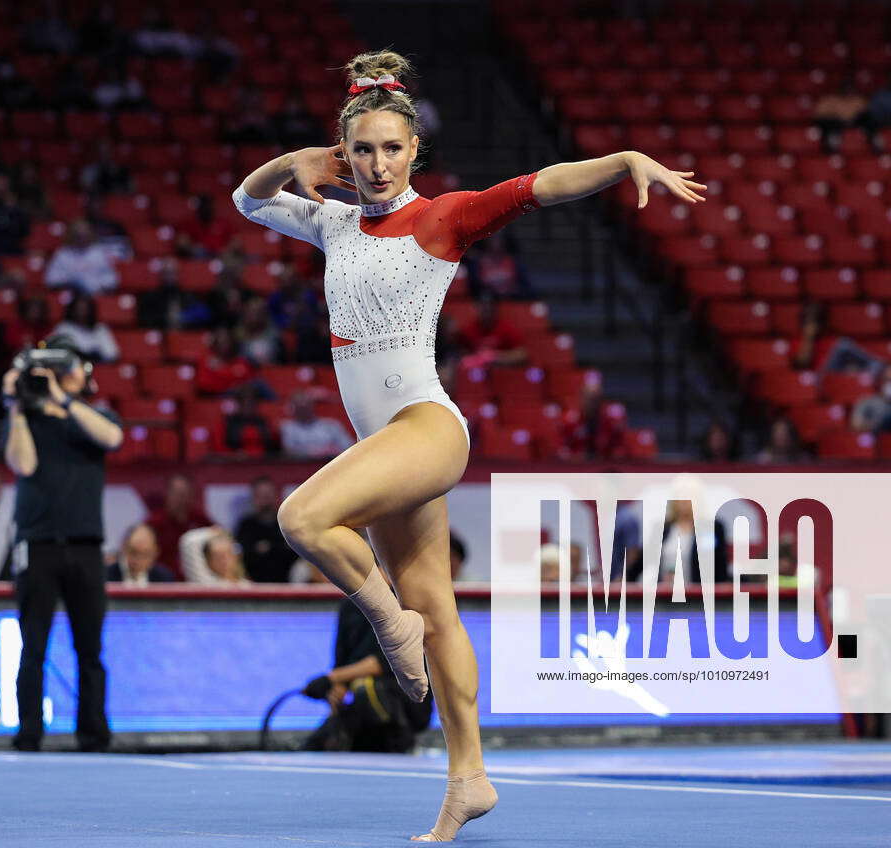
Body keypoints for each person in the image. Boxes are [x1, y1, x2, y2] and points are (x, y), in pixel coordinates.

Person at [231, 48, 705, 841]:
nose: (377, 164)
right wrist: (290, 162)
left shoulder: (444, 216)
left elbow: (540, 185)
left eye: (391, 148)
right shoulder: (334, 222)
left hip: (426, 426)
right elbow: (247, 202)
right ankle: (468, 777)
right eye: (362, 150)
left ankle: (389, 626)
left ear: (414, 149)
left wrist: (622, 160)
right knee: (439, 613)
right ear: (342, 155)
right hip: (388, 445)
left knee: (303, 520)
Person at [1, 335, 123, 752]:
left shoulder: (91, 415)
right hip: (38, 544)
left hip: (87, 545)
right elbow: (24, 464)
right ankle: (29, 733)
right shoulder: (26, 418)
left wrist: (65, 402)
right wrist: (17, 405)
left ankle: (93, 733)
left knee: (89, 646)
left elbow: (112, 438)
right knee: (32, 644)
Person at [303, 561, 433, 753]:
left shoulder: (401, 604)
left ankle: (399, 739)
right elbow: (341, 659)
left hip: (401, 695)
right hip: (359, 696)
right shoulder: (348, 606)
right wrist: (336, 689)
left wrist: (331, 678)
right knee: (316, 745)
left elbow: (383, 662)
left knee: (367, 686)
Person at [233, 476, 298, 583]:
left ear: (276, 496)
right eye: (261, 496)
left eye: (268, 495)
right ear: (254, 498)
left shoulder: (287, 523)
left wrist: (268, 548)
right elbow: (242, 554)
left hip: (287, 583)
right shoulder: (246, 525)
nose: (265, 500)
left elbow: (294, 552)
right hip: (253, 584)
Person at [146, 474, 211, 580]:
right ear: (168, 494)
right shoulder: (155, 523)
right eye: (177, 494)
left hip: (198, 580)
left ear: (192, 495)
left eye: (185, 494)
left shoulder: (199, 520)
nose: (181, 499)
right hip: (163, 581)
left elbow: (219, 534)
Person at [45, 219, 118, 295]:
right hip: (69, 295)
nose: (81, 238)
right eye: (78, 235)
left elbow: (111, 280)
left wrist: (98, 288)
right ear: (71, 235)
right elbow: (51, 279)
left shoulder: (99, 253)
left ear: (90, 233)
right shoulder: (63, 254)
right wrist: (72, 283)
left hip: (95, 295)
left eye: (84, 234)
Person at [279, 392, 353, 459]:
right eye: (300, 407)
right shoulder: (288, 427)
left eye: (306, 405)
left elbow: (350, 447)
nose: (304, 410)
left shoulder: (331, 425)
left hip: (334, 464)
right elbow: (289, 451)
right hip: (304, 468)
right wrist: (314, 452)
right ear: (292, 408)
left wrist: (334, 450)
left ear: (312, 406)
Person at [49, 292, 120, 363]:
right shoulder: (63, 328)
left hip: (97, 367)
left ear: (91, 310)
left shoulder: (100, 329)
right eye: (78, 308)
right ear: (72, 309)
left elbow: (112, 354)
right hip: (70, 368)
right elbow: (54, 352)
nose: (82, 312)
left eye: (85, 308)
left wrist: (93, 355)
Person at [106, 523, 175, 585]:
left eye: (145, 554)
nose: (138, 560)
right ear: (123, 548)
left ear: (155, 553)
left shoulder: (164, 578)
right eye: (133, 552)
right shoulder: (105, 576)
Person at [178, 526, 250, 585]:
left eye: (228, 554)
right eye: (218, 556)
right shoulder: (206, 584)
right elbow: (188, 542)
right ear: (208, 561)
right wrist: (209, 532)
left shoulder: (246, 585)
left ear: (236, 556)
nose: (224, 560)